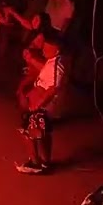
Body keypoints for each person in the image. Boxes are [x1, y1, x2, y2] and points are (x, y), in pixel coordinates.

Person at [16, 33, 63, 174]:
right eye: (44, 46)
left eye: (47, 47)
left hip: (41, 106)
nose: (44, 49)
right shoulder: (51, 62)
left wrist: (39, 104)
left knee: (30, 133)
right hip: (38, 104)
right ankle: (44, 163)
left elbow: (54, 88)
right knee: (41, 134)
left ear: (57, 50)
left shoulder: (57, 66)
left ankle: (35, 163)